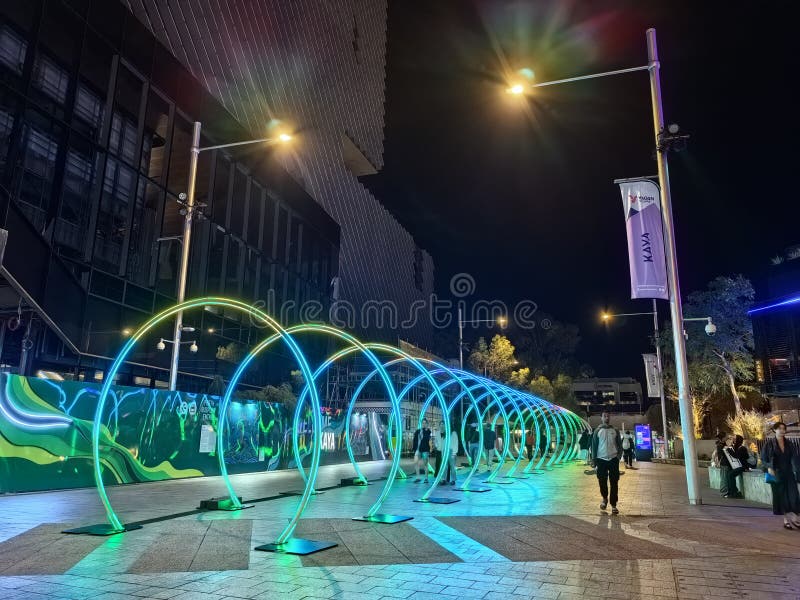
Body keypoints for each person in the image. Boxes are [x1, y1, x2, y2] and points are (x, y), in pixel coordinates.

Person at [760, 422, 800, 529]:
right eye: (780, 429)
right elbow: (763, 460)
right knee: (782, 497)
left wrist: (797, 471)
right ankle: (786, 520)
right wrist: (769, 467)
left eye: (784, 429)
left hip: (789, 473)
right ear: (774, 430)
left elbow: (796, 458)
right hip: (776, 473)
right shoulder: (768, 444)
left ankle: (795, 518)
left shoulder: (790, 443)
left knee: (794, 495)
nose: (782, 431)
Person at [590, 412, 622, 515]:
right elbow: (594, 446)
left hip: (613, 459)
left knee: (614, 482)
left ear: (610, 417)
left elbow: (619, 445)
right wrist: (594, 460)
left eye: (608, 416)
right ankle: (604, 499)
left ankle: (613, 505)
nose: (606, 417)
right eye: (604, 416)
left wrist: (618, 457)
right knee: (602, 481)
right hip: (601, 459)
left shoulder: (615, 430)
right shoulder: (597, 431)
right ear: (601, 418)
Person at [722, 434, 750, 499]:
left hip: (743, 467)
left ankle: (735, 492)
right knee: (728, 474)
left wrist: (729, 450)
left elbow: (736, 456)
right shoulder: (736, 447)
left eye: (735, 439)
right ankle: (730, 491)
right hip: (739, 466)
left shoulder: (742, 448)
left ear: (738, 440)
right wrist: (730, 447)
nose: (733, 440)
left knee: (731, 475)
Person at [411, 418, 432, 483]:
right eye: (423, 423)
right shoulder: (418, 431)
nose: (424, 424)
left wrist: (430, 448)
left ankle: (426, 478)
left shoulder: (428, 431)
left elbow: (429, 440)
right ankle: (418, 477)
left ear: (427, 424)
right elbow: (414, 440)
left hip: (425, 449)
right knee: (415, 462)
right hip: (418, 449)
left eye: (425, 423)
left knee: (425, 464)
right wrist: (414, 448)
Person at [445, 421, 459, 485]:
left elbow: (456, 443)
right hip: (446, 450)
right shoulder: (446, 433)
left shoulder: (453, 433)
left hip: (451, 451)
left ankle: (453, 479)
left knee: (452, 466)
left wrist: (454, 453)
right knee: (445, 466)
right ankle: (445, 479)